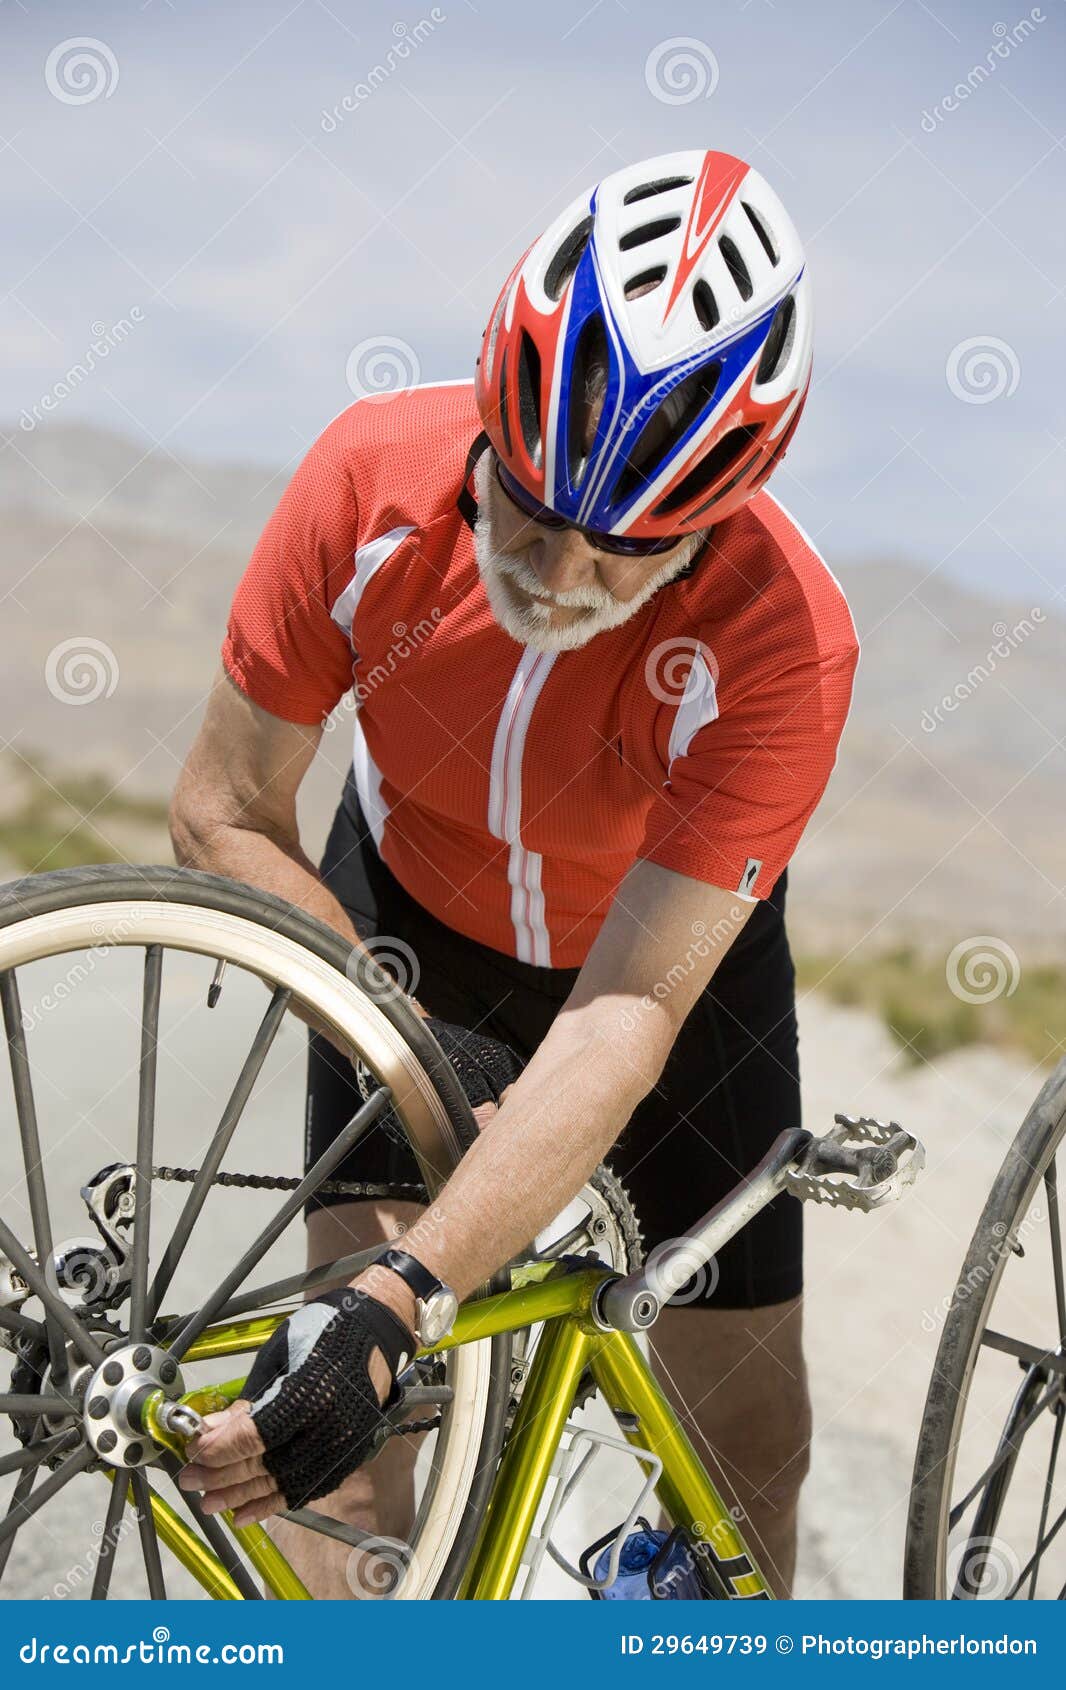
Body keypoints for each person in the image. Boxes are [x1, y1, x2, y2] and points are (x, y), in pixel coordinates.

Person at [170, 148, 858, 1599]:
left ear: (710, 527)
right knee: (343, 1435)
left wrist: (411, 1289)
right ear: (488, 414)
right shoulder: (364, 483)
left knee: (750, 1452)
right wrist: (404, 1041)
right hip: (412, 928)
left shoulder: (783, 640)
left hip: (668, 977)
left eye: (622, 552)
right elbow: (225, 807)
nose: (558, 572)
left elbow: (621, 1017)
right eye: (529, 512)